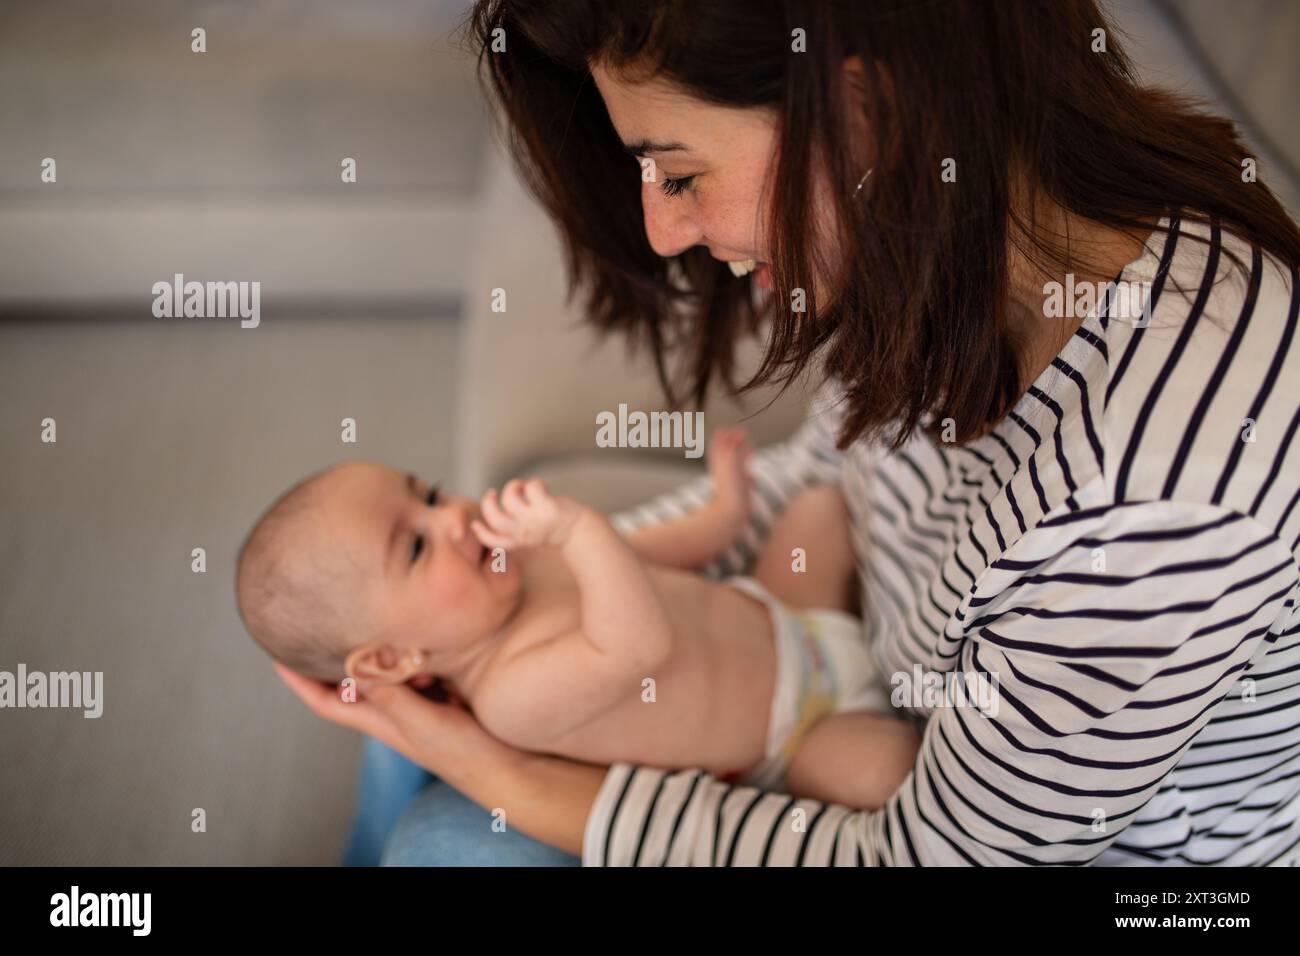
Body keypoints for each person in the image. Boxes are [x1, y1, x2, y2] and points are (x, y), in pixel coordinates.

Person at [278, 0, 1300, 865]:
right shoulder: (971, 267)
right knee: (420, 670)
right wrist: (547, 587)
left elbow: (921, 855)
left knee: (446, 831)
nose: (661, 232)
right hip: (866, 674)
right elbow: (827, 473)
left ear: (862, 118)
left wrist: (500, 773)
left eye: (676, 174)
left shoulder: (1160, 508)